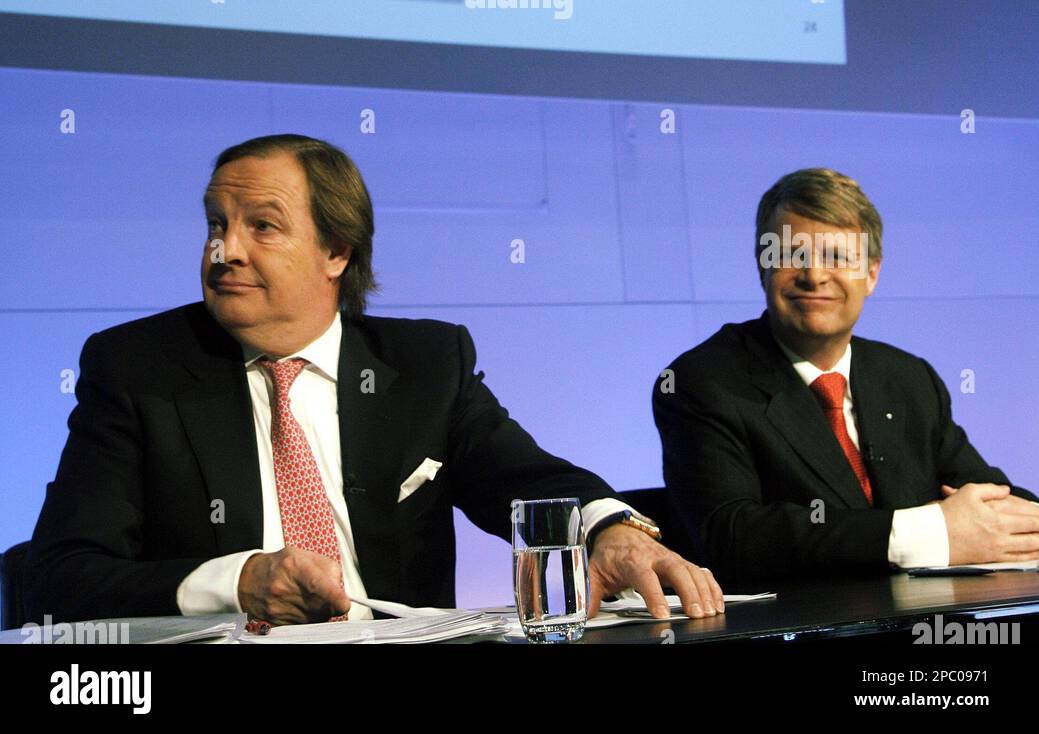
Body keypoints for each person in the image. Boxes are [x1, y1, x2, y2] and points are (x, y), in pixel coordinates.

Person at [26, 133, 722, 626]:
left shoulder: (423, 365)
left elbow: (526, 480)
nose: (222, 250)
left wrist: (610, 531)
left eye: (260, 226)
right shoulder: (136, 368)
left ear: (336, 251)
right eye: (216, 223)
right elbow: (60, 574)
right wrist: (236, 583)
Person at [653, 167, 1039, 591]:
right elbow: (733, 538)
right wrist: (927, 532)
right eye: (792, 255)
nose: (814, 276)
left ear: (872, 274)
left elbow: (987, 496)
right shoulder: (702, 382)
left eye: (837, 257)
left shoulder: (908, 378)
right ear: (762, 266)